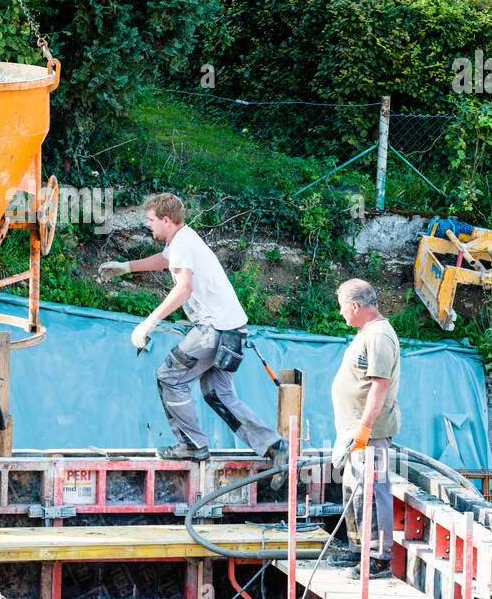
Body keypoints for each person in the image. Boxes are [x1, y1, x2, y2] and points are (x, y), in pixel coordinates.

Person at [99, 192, 284, 464]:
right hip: (233, 330)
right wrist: (126, 267)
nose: (148, 225)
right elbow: (164, 259)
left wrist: (149, 322)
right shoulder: (183, 240)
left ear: (166, 220)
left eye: (151, 220)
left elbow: (184, 288)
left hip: (214, 329)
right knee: (217, 394)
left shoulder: (183, 244)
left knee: (169, 376)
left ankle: (192, 445)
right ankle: (275, 447)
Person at [329, 278, 400, 579]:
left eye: (343, 308)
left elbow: (380, 386)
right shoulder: (366, 333)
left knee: (371, 491)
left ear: (355, 306)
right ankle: (359, 547)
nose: (342, 314)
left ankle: (379, 557)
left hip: (368, 430)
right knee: (354, 489)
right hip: (354, 429)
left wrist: (365, 427)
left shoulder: (379, 336)